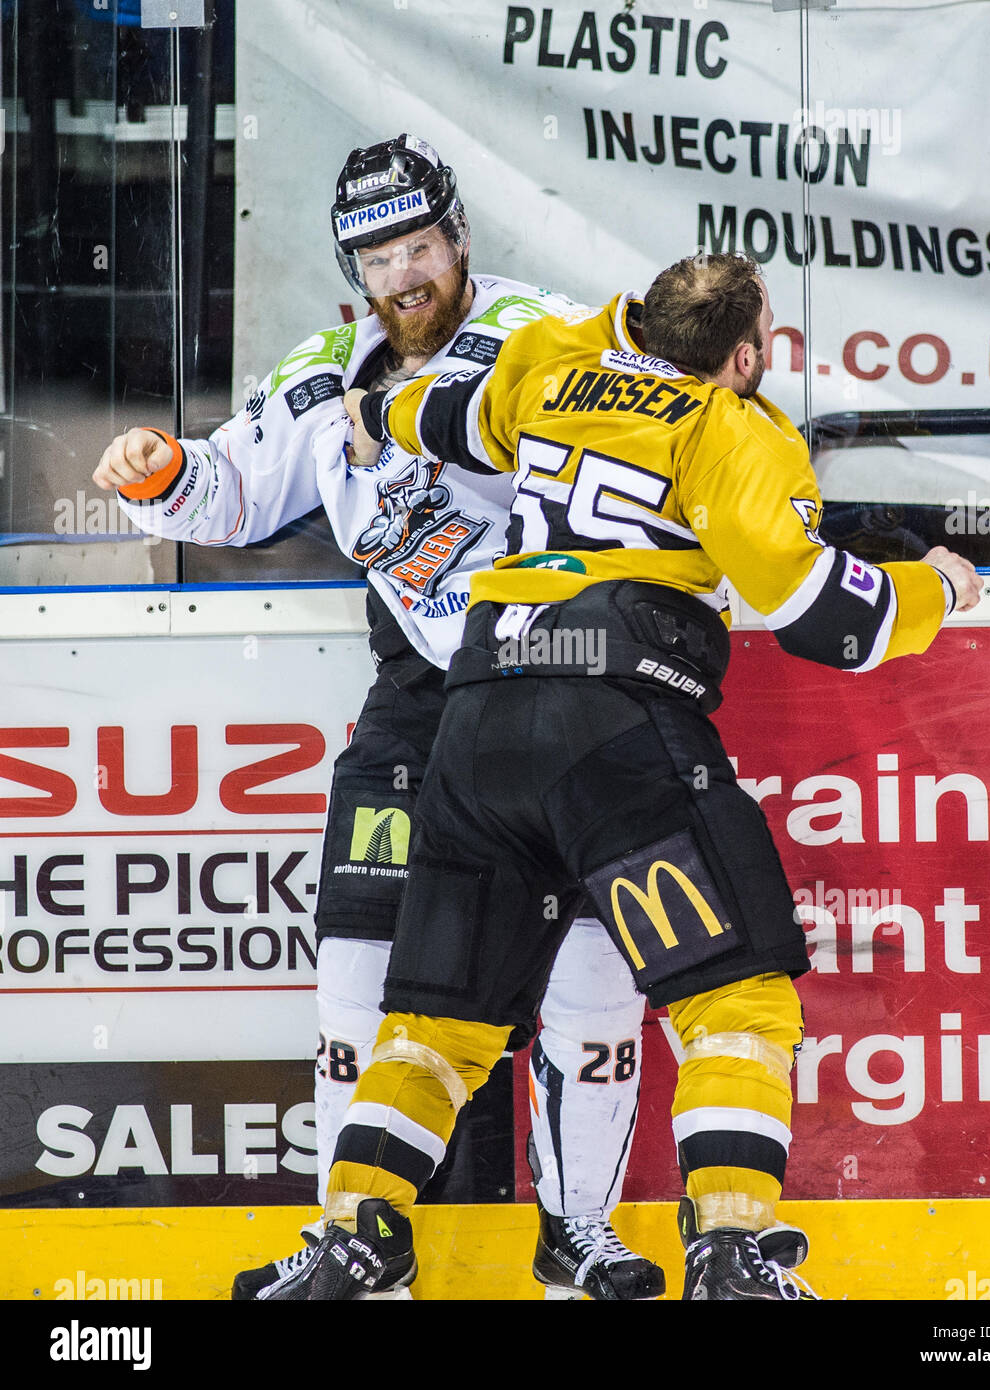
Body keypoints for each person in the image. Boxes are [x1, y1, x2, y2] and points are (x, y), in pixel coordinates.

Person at [266, 251, 984, 1301]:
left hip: (474, 716)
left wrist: (374, 415)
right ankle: (731, 1247)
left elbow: (423, 415)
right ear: (743, 356)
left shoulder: (548, 360)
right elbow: (825, 619)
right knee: (733, 996)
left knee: (434, 1026)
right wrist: (935, 587)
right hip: (614, 720)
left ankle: (355, 1231)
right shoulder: (736, 428)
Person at [91, 134, 663, 1302]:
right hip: (418, 704)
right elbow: (232, 489)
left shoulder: (550, 338)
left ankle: (577, 1235)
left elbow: (674, 451)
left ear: (459, 240)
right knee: (354, 978)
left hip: (567, 686)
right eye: (376, 255)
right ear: (353, 268)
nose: (403, 275)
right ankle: (361, 1240)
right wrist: (159, 470)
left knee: (594, 983)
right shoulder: (321, 370)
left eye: (419, 246)